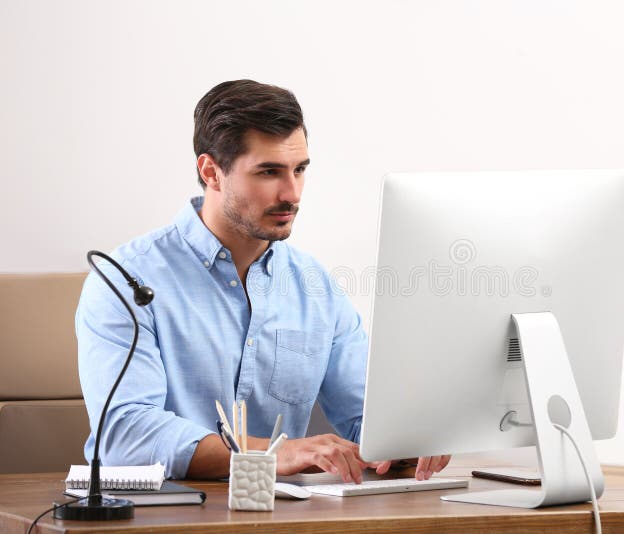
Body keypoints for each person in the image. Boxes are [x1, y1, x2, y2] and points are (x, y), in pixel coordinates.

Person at [76, 79, 450, 482]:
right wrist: (274, 454)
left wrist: (409, 442)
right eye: (269, 171)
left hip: (288, 516)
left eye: (300, 170)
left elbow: (371, 421)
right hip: (164, 515)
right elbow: (126, 434)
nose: (292, 193)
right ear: (211, 172)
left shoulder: (316, 288)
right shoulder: (127, 280)